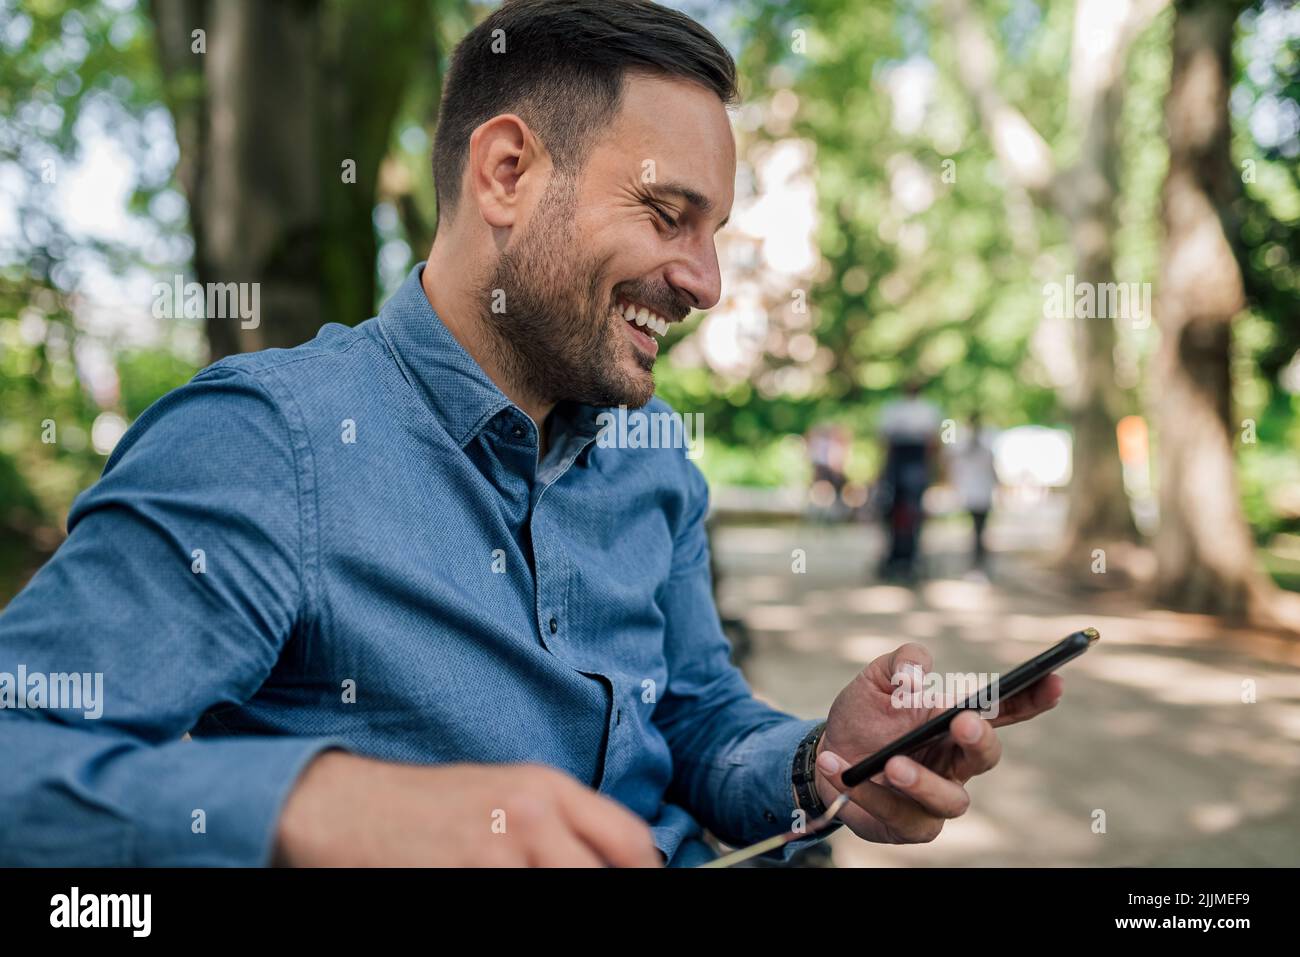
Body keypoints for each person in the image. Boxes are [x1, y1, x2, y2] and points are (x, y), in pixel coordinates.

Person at [0, 0, 1063, 867]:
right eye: (666, 214)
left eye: (714, 233)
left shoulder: (655, 461)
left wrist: (818, 763)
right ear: (505, 172)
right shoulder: (268, 444)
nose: (706, 280)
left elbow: (691, 715)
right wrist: (325, 808)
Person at [876, 381, 941, 581]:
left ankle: (910, 554)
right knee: (894, 508)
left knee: (913, 510)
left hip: (914, 461)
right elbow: (884, 440)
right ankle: (897, 553)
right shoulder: (894, 409)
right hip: (901, 461)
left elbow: (933, 442)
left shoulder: (926, 410)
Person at [947, 411, 998, 576]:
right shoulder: (971, 445)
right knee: (979, 529)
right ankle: (978, 561)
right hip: (976, 492)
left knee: (979, 529)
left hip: (977, 492)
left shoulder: (973, 445)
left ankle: (978, 561)